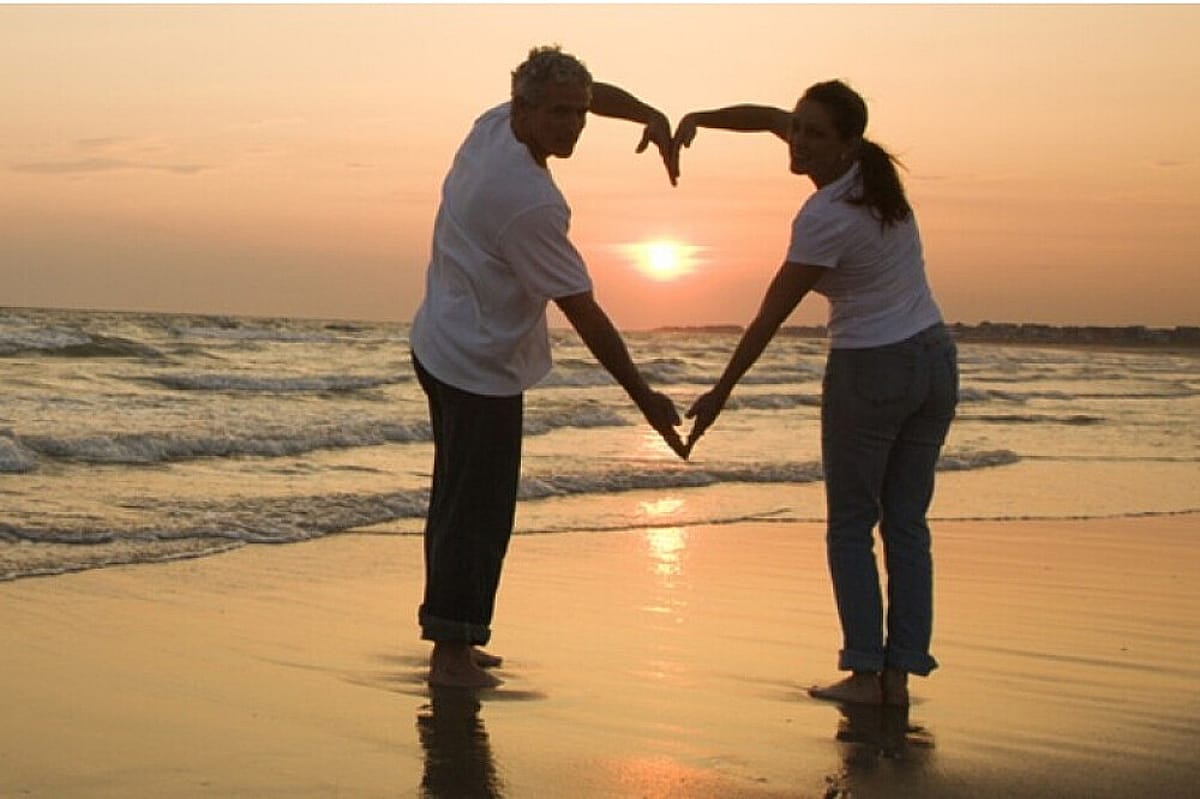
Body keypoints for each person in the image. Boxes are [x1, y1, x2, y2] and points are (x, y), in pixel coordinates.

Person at [409, 46, 686, 689]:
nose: (575, 126)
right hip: (477, 361)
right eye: (559, 114)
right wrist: (643, 396)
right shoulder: (527, 202)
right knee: (476, 512)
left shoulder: (491, 126)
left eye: (580, 113)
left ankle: (456, 633)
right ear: (525, 109)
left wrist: (645, 111)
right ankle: (451, 652)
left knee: (458, 502)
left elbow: (588, 92)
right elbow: (582, 310)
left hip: (442, 339)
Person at [675, 80, 958, 706]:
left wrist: (722, 389)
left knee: (853, 525)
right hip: (934, 359)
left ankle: (865, 673)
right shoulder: (870, 175)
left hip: (874, 368)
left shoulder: (826, 215)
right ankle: (899, 675)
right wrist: (701, 115)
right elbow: (766, 116)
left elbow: (771, 313)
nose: (797, 139)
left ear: (846, 142)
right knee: (907, 523)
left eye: (812, 133)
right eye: (798, 127)